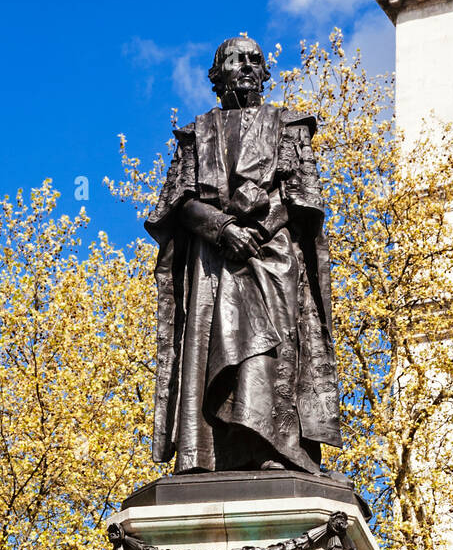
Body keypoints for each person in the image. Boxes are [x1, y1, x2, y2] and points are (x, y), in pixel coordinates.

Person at [145, 35, 341, 474]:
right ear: (218, 74)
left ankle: (272, 448)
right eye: (237, 60)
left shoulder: (289, 125)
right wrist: (223, 228)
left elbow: (301, 199)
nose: (248, 66)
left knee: (270, 349)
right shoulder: (195, 135)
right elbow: (177, 204)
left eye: (256, 60)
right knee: (210, 345)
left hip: (272, 258)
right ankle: (209, 453)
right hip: (213, 261)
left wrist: (258, 227)